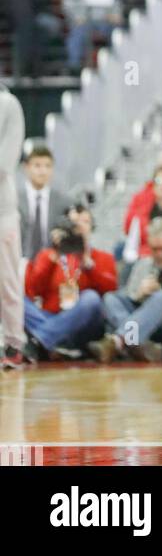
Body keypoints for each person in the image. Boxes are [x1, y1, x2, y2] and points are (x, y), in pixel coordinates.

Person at [89, 218, 162, 363]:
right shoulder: (142, 266)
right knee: (110, 298)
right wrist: (139, 294)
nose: (160, 254)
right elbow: (127, 297)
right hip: (141, 319)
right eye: (155, 249)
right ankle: (139, 345)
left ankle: (120, 340)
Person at [24, 205, 116, 359]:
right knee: (14, 301)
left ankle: (40, 341)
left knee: (91, 298)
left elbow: (111, 290)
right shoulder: (48, 255)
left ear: (91, 227)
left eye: (85, 222)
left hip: (85, 325)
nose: (79, 226)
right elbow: (33, 290)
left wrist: (89, 264)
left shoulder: (103, 257)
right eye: (74, 223)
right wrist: (52, 259)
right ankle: (56, 343)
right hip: (51, 316)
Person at [0, 86, 25, 369]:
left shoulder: (8, 104)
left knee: (6, 280)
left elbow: (5, 163)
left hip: (2, 210)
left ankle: (14, 343)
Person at [18, 143, 69, 260]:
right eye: (37, 166)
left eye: (48, 166)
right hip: (19, 264)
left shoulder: (63, 202)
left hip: (53, 264)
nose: (43, 171)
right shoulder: (15, 200)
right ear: (27, 167)